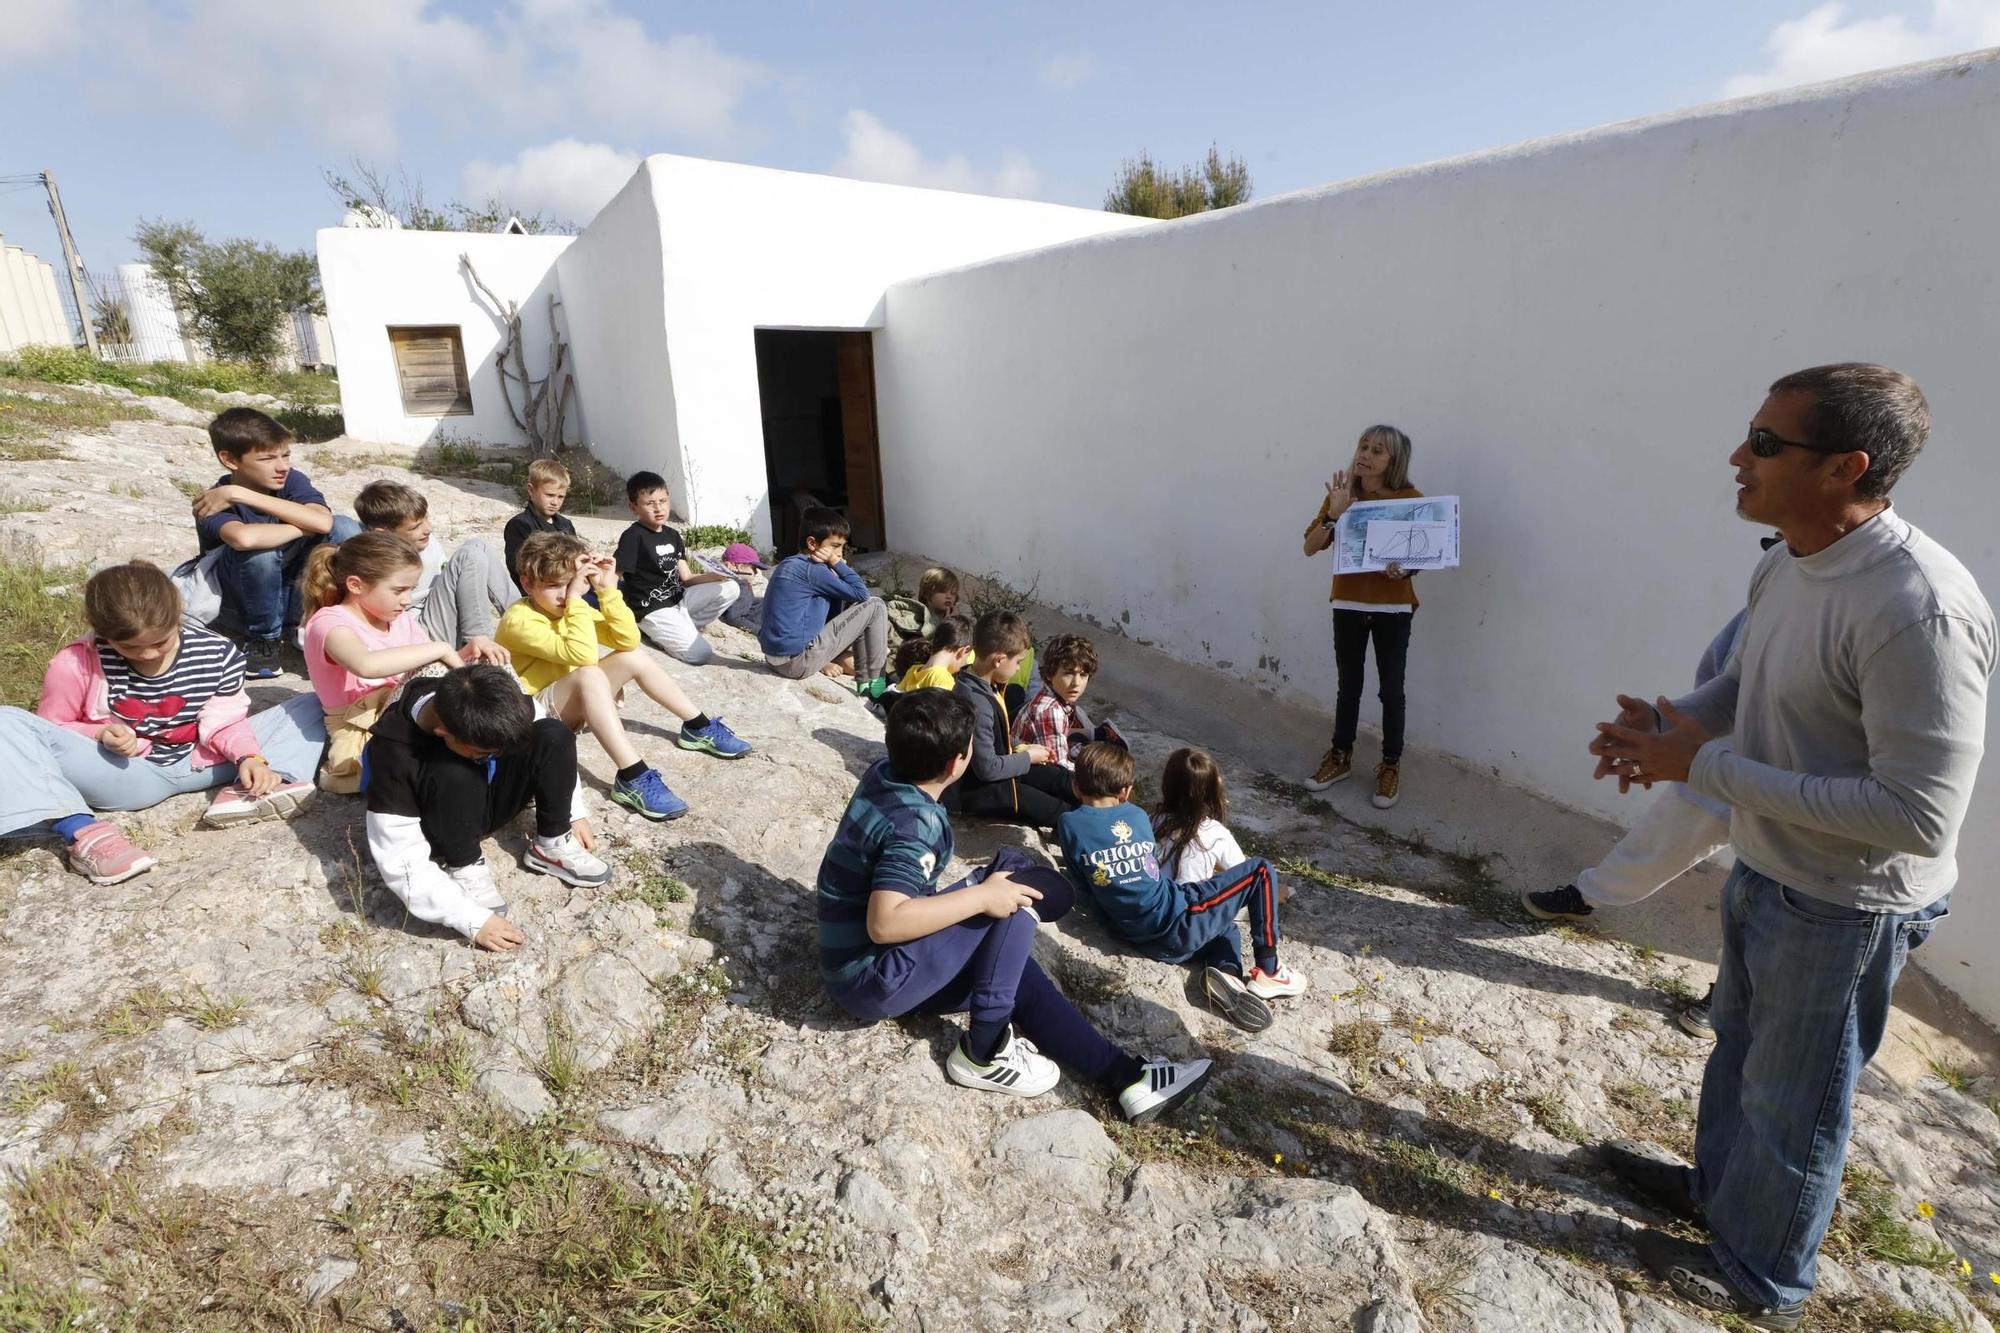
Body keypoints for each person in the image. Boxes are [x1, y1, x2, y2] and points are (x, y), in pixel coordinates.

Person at [1586, 364, 1994, 1328]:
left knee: (1796, 1098)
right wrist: (1672, 723)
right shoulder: (1787, 558)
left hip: (1848, 903)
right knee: (1740, 1056)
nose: (1738, 456)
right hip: (1769, 867)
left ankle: (1764, 1272)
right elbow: (1750, 685)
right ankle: (1719, 1198)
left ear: (1847, 467)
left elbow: (1918, 814)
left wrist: (1706, 768)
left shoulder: (1917, 607)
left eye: (1767, 444)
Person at [816, 686, 1212, 1123]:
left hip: (860, 966)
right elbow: (885, 924)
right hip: (872, 977)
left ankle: (1128, 1079)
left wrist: (986, 892)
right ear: (957, 763)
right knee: (1011, 900)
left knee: (1010, 935)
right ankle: (983, 1053)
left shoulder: (885, 774)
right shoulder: (916, 824)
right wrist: (983, 896)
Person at [0, 561, 323, 883]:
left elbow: (226, 720)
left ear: (177, 615)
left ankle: (258, 788)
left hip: (210, 762)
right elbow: (49, 734)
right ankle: (83, 833)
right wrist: (99, 732)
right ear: (100, 630)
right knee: (7, 721)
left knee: (313, 703)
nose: (149, 654)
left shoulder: (217, 652)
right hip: (130, 774)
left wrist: (250, 757)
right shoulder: (74, 662)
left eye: (161, 642)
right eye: (129, 647)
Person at [1522, 598, 1756, 1040]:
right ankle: (1586, 895)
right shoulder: (1777, 580)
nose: (1778, 549)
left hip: (1796, 787)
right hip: (1723, 757)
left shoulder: (1871, 597)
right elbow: (1724, 677)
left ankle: (1729, 994)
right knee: (1658, 838)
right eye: (1772, 546)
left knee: (1757, 895)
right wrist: (1663, 726)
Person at [497, 532, 750, 821]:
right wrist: (578, 599)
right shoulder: (519, 619)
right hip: (536, 720)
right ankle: (632, 775)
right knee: (589, 674)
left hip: (566, 704)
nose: (564, 594)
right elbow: (582, 656)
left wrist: (607, 590)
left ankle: (697, 725)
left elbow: (628, 640)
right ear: (527, 583)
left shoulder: (569, 610)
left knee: (634, 657)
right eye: (554, 586)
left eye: (570, 584)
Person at [362, 663, 609, 954]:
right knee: (455, 769)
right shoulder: (394, 752)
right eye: (485, 753)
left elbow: (543, 734)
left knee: (554, 733)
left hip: (487, 798)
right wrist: (469, 918)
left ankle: (551, 844)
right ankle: (464, 865)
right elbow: (400, 858)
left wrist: (570, 810)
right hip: (440, 817)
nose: (497, 756)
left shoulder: (494, 700)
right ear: (442, 731)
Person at [1058, 743, 1305, 1032]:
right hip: (1177, 918)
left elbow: (1082, 881)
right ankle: (1270, 970)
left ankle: (1227, 975)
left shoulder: (1069, 824)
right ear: (1125, 790)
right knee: (1261, 870)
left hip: (1134, 933)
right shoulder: (1135, 815)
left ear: (1076, 788)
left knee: (1225, 926)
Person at [1299, 424, 1422, 809]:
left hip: (1393, 610)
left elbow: (1424, 554)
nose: (1365, 455)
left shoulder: (1411, 500)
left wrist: (1407, 568)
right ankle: (1340, 757)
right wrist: (1334, 516)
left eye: (1377, 450)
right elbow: (1309, 547)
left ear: (1394, 461)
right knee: (1348, 686)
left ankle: (1389, 765)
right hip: (1349, 605)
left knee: (1391, 691)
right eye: (1363, 446)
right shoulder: (1343, 495)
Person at [193, 407, 361, 678]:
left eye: (285, 455)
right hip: (243, 605)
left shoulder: (289, 480)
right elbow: (244, 537)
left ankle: (318, 621)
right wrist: (302, 528)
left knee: (345, 526)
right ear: (229, 459)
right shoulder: (211, 503)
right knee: (260, 553)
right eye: (267, 458)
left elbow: (326, 523)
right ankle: (264, 641)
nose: (282, 466)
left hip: (293, 594)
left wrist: (239, 493)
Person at [299, 532, 467, 793]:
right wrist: (442, 649)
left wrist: (469, 654)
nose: (408, 600)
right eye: (399, 590)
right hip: (362, 726)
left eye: (411, 589)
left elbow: (424, 659)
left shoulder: (396, 618)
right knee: (438, 670)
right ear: (356, 585)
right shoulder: (329, 622)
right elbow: (366, 665)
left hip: (403, 708)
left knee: (484, 666)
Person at [945, 610, 1079, 827]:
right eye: (1018, 662)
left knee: (1059, 778)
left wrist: (1022, 747)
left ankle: (1101, 803)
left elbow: (994, 737)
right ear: (999, 659)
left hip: (1000, 771)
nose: (1018, 668)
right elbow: (987, 769)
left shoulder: (981, 682)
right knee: (1058, 811)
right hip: (981, 791)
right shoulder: (977, 703)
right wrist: (1027, 759)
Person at [353, 480, 514, 659]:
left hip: (442, 613)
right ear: (383, 534)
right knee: (469, 556)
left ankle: (524, 616)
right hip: (420, 633)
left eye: (425, 520)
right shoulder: (378, 557)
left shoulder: (423, 540)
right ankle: (478, 644)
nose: (428, 528)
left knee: (478, 545)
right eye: (415, 527)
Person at [758, 506, 890, 695]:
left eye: (842, 547)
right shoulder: (814, 569)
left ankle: (865, 684)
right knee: (876, 605)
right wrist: (838, 566)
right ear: (812, 543)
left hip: (775, 659)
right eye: (835, 547)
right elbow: (863, 594)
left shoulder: (790, 563)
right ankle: (877, 688)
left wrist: (834, 570)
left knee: (858, 609)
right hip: (796, 663)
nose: (840, 553)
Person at [614, 471, 740, 665]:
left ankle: (683, 629)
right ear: (634, 507)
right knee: (701, 654)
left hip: (679, 600)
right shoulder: (633, 536)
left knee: (731, 587)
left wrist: (714, 576)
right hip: (653, 609)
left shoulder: (672, 535)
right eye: (650, 503)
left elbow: (687, 578)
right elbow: (616, 575)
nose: (659, 508)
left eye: (663, 501)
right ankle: (658, 634)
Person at [1012, 632, 1122, 770]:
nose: (1076, 683)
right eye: (1068, 673)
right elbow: (1059, 768)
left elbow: (1061, 737)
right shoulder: (1050, 711)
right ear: (1049, 674)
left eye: (1083, 675)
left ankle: (1097, 735)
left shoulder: (1057, 698)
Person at [502, 458, 579, 586]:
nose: (555, 502)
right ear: (531, 490)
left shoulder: (565, 525)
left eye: (561, 497)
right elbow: (520, 568)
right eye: (550, 495)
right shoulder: (520, 525)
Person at [892, 613, 975, 692]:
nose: (964, 663)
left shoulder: (913, 670)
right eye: (966, 658)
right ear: (963, 651)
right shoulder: (943, 680)